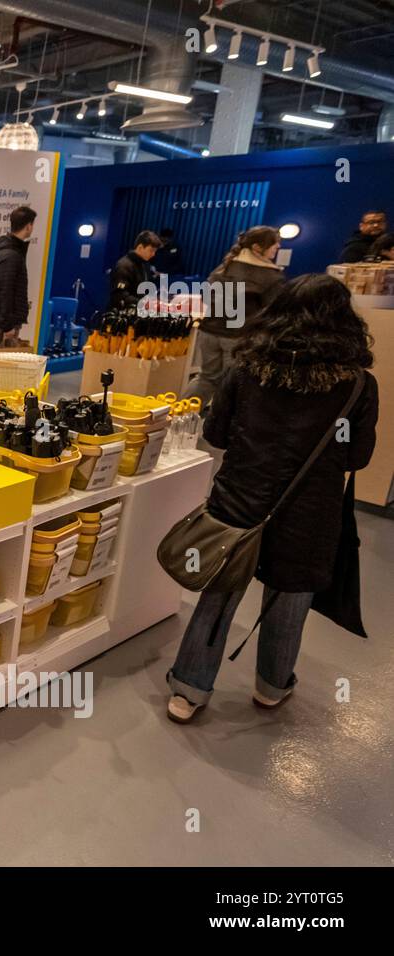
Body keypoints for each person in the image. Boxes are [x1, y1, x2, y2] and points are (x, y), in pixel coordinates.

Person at [166, 274, 378, 723]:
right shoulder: (357, 384)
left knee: (219, 594)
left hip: (240, 500)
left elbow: (216, 433)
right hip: (310, 512)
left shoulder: (247, 371)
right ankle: (271, 686)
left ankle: (188, 690)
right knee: (288, 600)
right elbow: (356, 456)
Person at [184, 226, 286, 410]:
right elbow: (275, 313)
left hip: (208, 331)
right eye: (274, 243)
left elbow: (207, 295)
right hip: (238, 337)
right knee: (235, 385)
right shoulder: (270, 276)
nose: (277, 247)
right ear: (257, 247)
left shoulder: (226, 265)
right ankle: (220, 430)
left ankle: (176, 417)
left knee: (206, 378)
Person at [0, 205, 36, 346]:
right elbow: (5, 291)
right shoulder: (11, 254)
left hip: (2, 320)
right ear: (28, 226)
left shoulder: (9, 250)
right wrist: (7, 326)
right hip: (2, 324)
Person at [108, 230, 162, 309]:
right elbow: (119, 294)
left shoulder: (145, 264)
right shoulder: (123, 265)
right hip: (122, 314)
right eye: (151, 250)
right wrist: (144, 303)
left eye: (155, 251)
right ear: (140, 247)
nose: (153, 254)